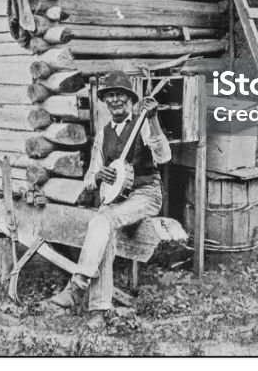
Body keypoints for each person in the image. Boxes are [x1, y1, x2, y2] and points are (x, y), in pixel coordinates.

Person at [46, 71, 171, 314]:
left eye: (120, 95)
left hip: (145, 194)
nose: (115, 100)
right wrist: (98, 176)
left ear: (130, 100)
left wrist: (153, 119)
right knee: (101, 227)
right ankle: (99, 310)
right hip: (116, 198)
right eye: (110, 96)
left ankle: (77, 287)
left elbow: (164, 157)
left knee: (104, 220)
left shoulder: (143, 124)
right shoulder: (103, 134)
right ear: (105, 102)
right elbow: (90, 177)